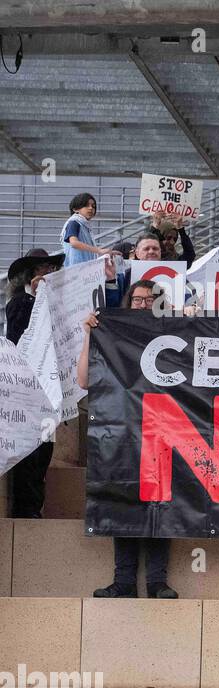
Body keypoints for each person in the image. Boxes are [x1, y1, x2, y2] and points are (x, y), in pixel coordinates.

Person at [77, 282, 178, 598]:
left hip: (163, 432)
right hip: (121, 433)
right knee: (121, 501)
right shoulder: (109, 332)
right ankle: (123, 582)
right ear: (127, 302)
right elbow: (83, 380)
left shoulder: (176, 336)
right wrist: (89, 335)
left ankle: (157, 582)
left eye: (152, 300)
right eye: (139, 299)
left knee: (161, 505)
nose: (145, 304)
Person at [5, 248, 65, 518]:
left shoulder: (54, 306)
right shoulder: (19, 303)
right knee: (30, 449)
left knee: (45, 446)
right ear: (32, 276)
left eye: (52, 270)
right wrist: (38, 296)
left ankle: (35, 503)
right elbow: (19, 334)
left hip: (47, 384)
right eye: (43, 270)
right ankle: (26, 506)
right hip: (25, 386)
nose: (49, 275)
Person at [61, 193, 110, 265]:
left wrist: (107, 253)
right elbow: (74, 243)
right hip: (76, 270)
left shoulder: (85, 226)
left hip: (84, 269)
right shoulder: (74, 223)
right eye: (86, 205)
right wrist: (99, 250)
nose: (91, 208)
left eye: (93, 206)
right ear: (75, 209)